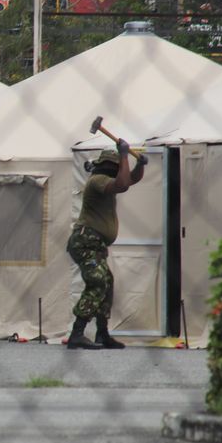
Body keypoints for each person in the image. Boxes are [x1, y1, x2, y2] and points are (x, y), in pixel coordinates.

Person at [65, 139, 146, 349]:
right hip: (86, 242)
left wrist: (140, 166)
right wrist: (126, 156)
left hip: (95, 245)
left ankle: (102, 333)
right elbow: (123, 183)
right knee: (98, 282)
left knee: (106, 284)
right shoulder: (98, 180)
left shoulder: (106, 181)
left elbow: (128, 180)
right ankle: (77, 333)